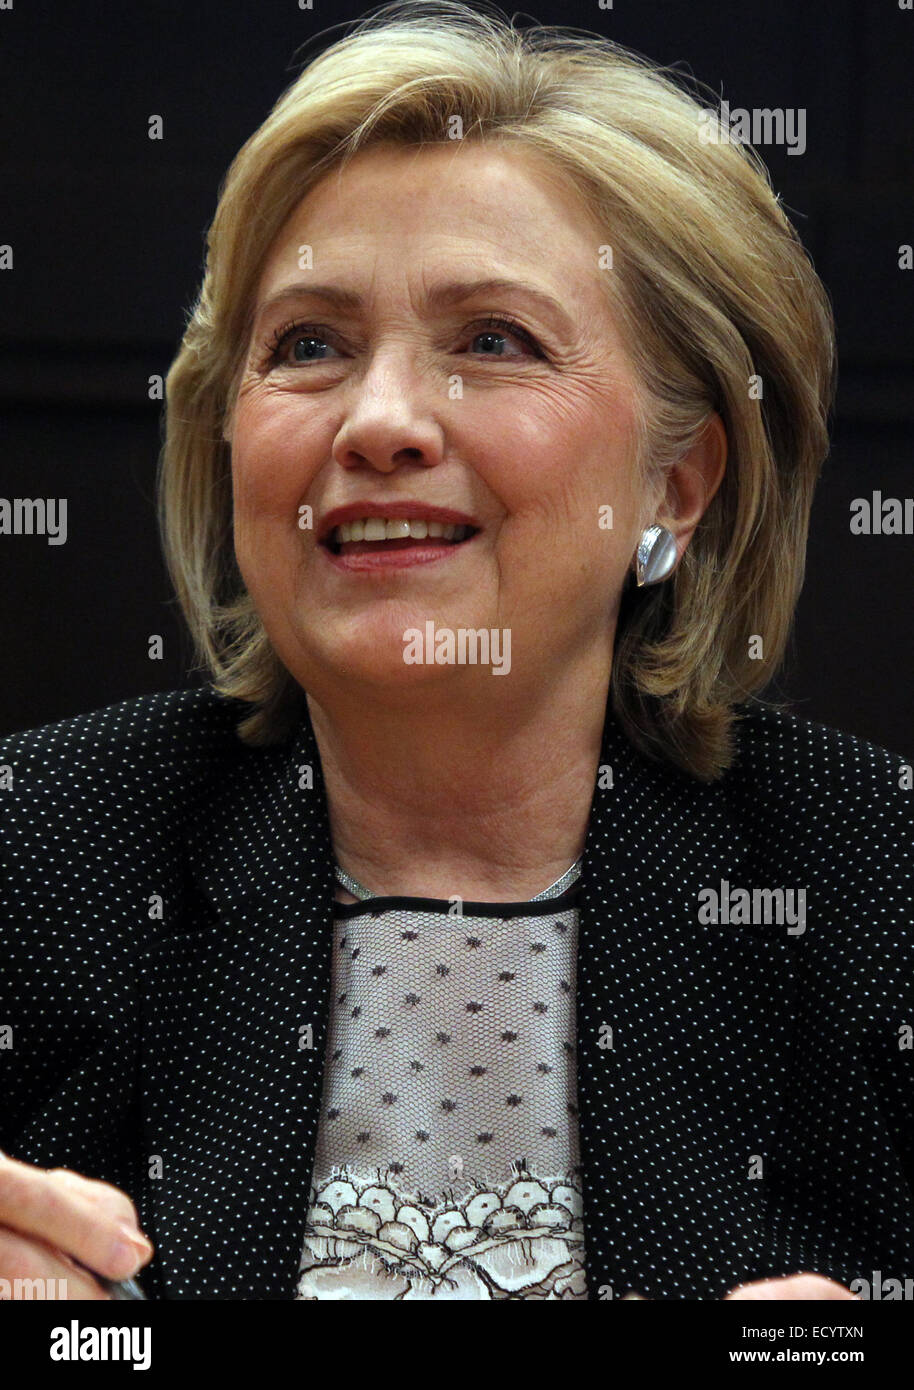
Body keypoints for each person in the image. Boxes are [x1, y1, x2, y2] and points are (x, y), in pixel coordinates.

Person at [1, 1, 910, 1301]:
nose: (378, 421)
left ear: (680, 482)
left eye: (493, 340)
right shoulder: (32, 852)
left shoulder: (878, 885)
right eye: (308, 345)